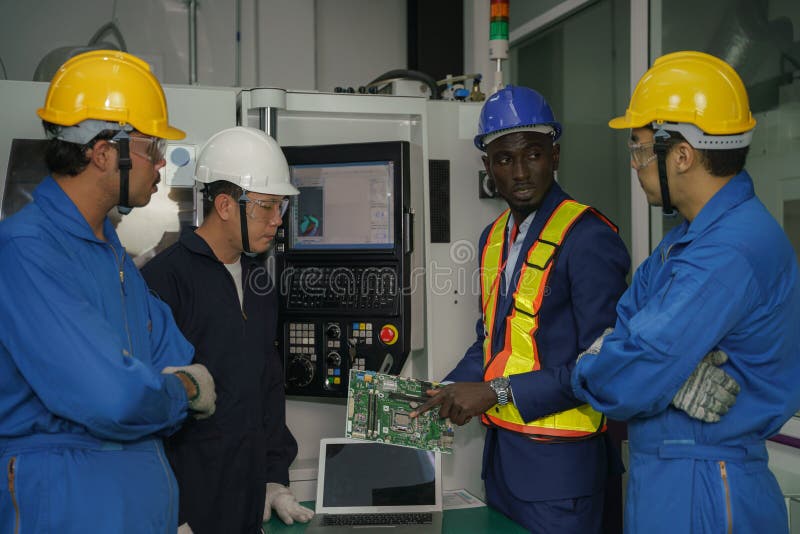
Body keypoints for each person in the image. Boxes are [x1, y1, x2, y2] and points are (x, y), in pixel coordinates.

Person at [572, 50, 800, 533]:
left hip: (708, 487)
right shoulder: (686, 239)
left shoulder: (729, 250)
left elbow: (621, 379)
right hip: (674, 475)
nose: (635, 165)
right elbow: (622, 333)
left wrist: (620, 367)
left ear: (681, 154)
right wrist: (662, 373)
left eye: (637, 149)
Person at [0, 50, 216, 534]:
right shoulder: (25, 251)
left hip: (132, 506)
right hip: (69, 506)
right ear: (102, 151)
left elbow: (174, 351)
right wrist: (180, 391)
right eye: (151, 146)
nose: (161, 163)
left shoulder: (109, 251)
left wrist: (164, 384)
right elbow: (115, 398)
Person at [411, 85, 631, 532]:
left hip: (563, 474)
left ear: (555, 154)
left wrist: (495, 392)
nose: (520, 171)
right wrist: (451, 387)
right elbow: (494, 339)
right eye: (505, 159)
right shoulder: (493, 239)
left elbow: (605, 362)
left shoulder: (588, 237)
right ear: (488, 166)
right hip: (503, 465)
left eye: (532, 154)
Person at [142, 126, 314, 533]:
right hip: (187, 502)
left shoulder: (259, 284)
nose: (278, 221)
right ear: (224, 204)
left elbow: (268, 388)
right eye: (268, 207)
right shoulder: (164, 282)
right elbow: (144, 402)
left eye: (282, 208)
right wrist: (169, 512)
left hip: (247, 499)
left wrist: (275, 477)